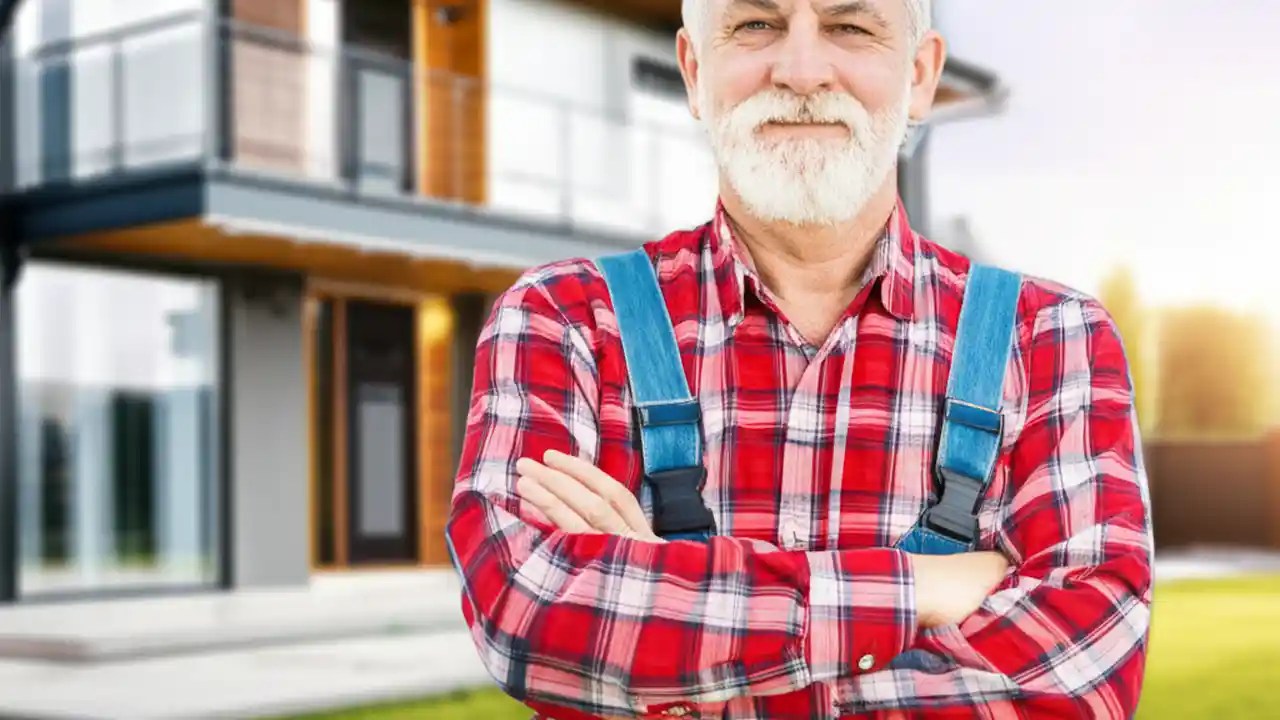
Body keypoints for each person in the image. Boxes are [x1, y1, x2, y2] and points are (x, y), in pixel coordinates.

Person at [445, 0, 1153, 717]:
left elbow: (1079, 679)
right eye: (756, 25)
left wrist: (669, 626)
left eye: (851, 27)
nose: (803, 70)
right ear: (694, 71)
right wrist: (923, 590)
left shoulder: (1052, 338)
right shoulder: (564, 318)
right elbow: (527, 612)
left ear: (919, 75)